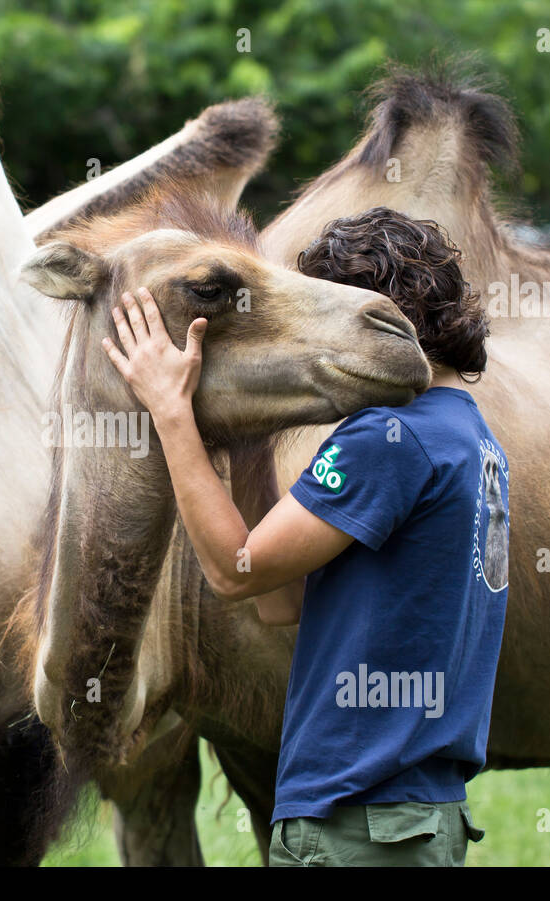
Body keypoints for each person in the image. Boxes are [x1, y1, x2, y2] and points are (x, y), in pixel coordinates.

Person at [101, 207, 509, 867]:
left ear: (374, 315)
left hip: (357, 822)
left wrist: (172, 412)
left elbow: (236, 572)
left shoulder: (388, 440)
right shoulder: (468, 435)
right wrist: (241, 426)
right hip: (416, 818)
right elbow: (278, 602)